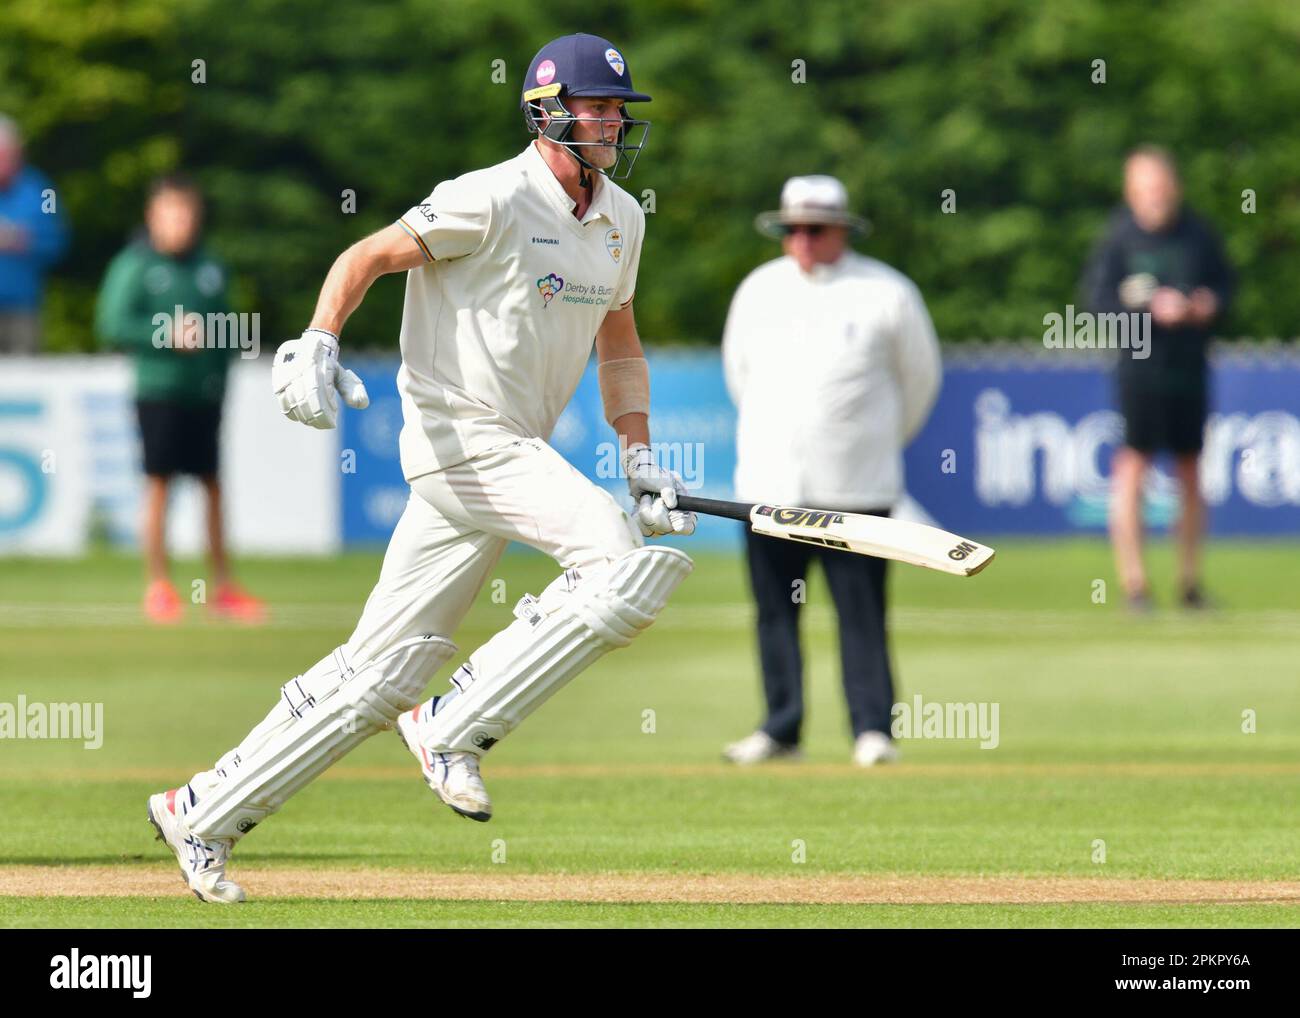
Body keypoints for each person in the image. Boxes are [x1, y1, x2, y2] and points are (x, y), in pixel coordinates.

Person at [146, 33, 696, 903]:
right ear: (548, 113)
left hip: (512, 449)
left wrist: (640, 455)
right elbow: (363, 257)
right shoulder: (491, 197)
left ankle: (201, 809)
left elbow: (619, 346)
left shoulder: (622, 217)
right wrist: (319, 338)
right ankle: (452, 723)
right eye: (597, 106)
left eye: (619, 108)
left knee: (376, 670)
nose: (613, 121)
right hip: (457, 437)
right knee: (618, 558)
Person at [721, 176, 941, 768]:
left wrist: (871, 444)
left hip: (857, 487)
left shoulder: (887, 292)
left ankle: (872, 729)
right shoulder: (758, 291)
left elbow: (920, 381)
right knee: (773, 611)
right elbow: (738, 375)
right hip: (770, 484)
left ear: (842, 229)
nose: (802, 242)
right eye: (791, 230)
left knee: (861, 611)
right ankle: (781, 726)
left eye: (814, 229)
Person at [95, 175, 265, 624]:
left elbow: (232, 329)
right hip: (159, 392)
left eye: (186, 211)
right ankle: (159, 587)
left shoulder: (211, 267)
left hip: (204, 394)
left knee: (212, 485)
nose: (180, 221)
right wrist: (164, 333)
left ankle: (224, 587)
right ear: (153, 216)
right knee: (159, 483)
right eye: (170, 211)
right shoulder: (135, 265)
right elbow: (111, 324)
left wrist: (221, 350)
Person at [1082, 146, 1233, 611]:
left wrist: (1206, 305)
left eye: (1161, 187)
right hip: (1139, 369)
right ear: (1132, 193)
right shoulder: (1117, 239)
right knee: (1133, 466)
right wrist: (1146, 305)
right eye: (1146, 189)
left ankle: (1190, 583)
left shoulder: (1198, 235)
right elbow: (1096, 302)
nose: (1156, 197)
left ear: (1175, 188)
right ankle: (1134, 585)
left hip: (1188, 367)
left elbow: (1227, 287)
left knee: (1190, 470)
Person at [0, 114, 68, 354]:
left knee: (22, 381)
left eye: (4, 154)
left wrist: (24, 241)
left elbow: (57, 242)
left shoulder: (40, 190)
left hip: (23, 309)